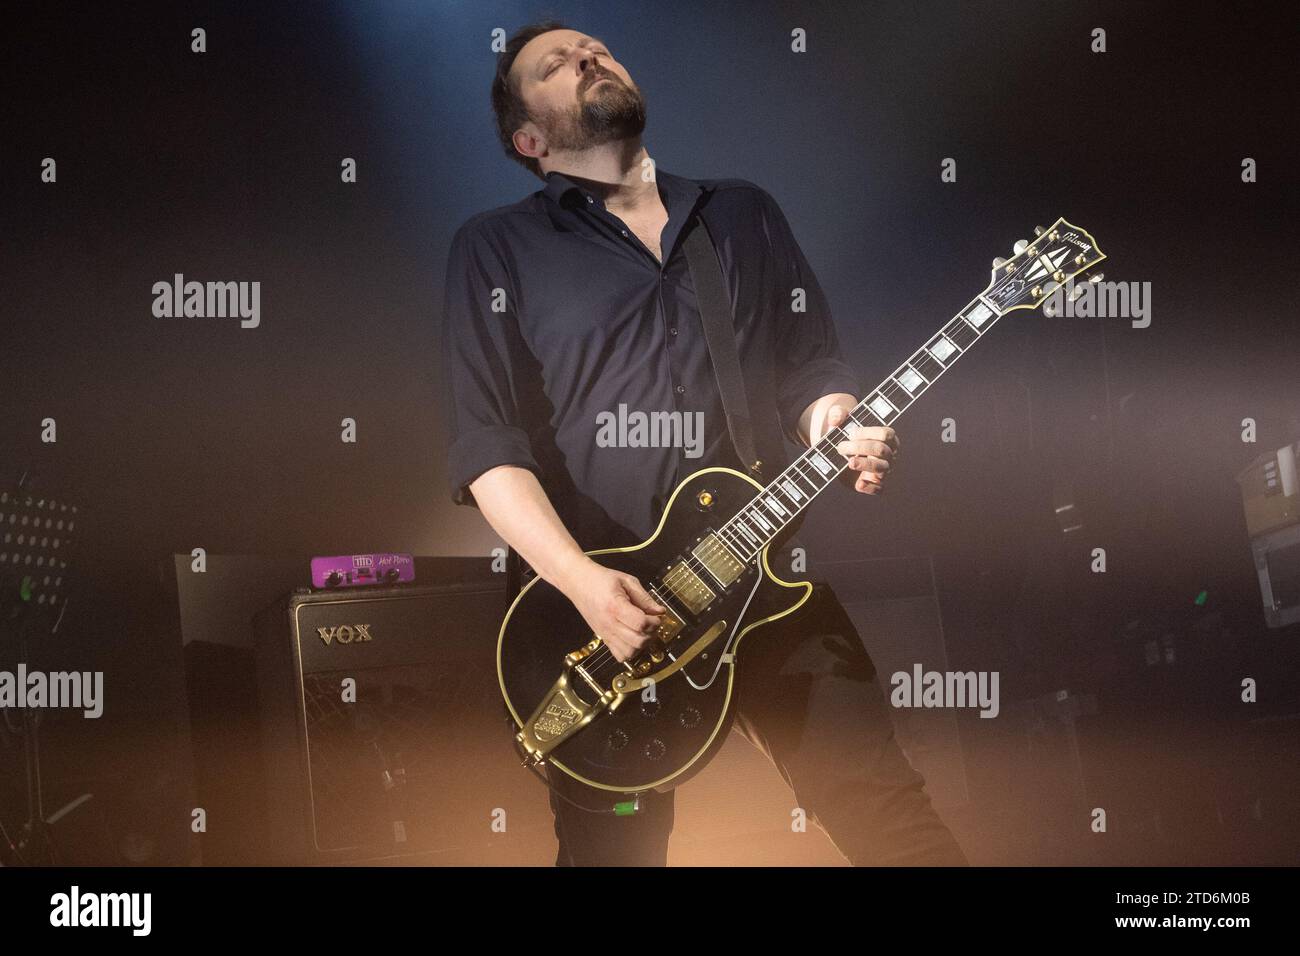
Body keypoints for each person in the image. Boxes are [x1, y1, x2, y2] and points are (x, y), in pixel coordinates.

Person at [440, 20, 967, 866]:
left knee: (893, 823)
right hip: (602, 618)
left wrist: (835, 417)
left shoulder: (741, 213)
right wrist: (583, 585)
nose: (589, 57)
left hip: (766, 584)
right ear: (528, 138)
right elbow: (487, 448)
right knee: (616, 856)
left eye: (598, 48)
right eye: (554, 64)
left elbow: (810, 370)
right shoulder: (496, 249)